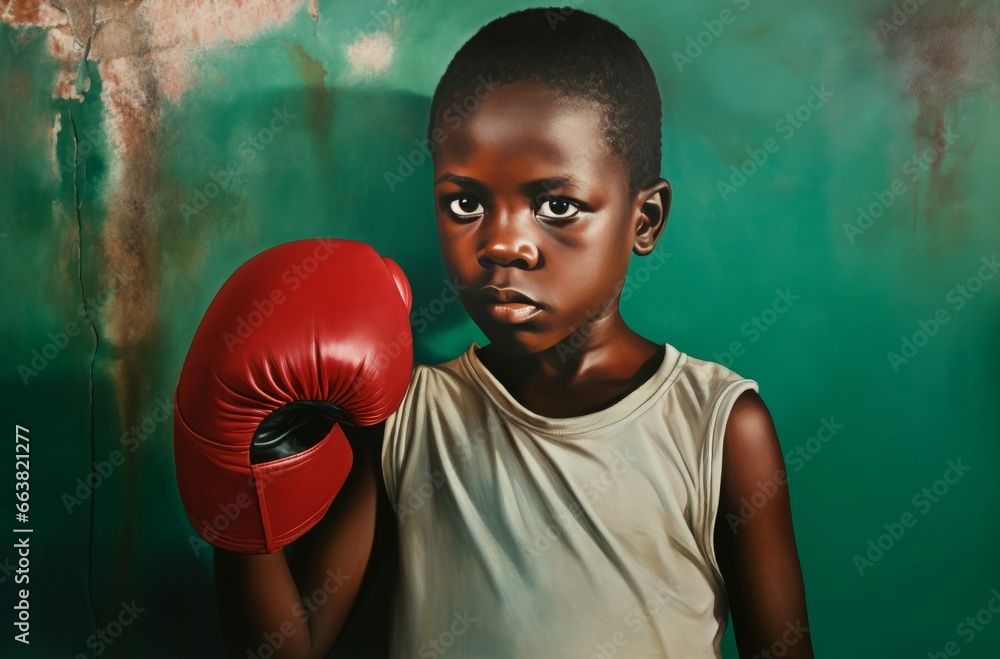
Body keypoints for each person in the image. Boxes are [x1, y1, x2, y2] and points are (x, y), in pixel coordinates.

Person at [208, 7, 814, 659]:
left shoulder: (717, 424)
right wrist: (238, 467)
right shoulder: (408, 416)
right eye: (465, 203)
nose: (501, 244)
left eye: (557, 205)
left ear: (645, 219)